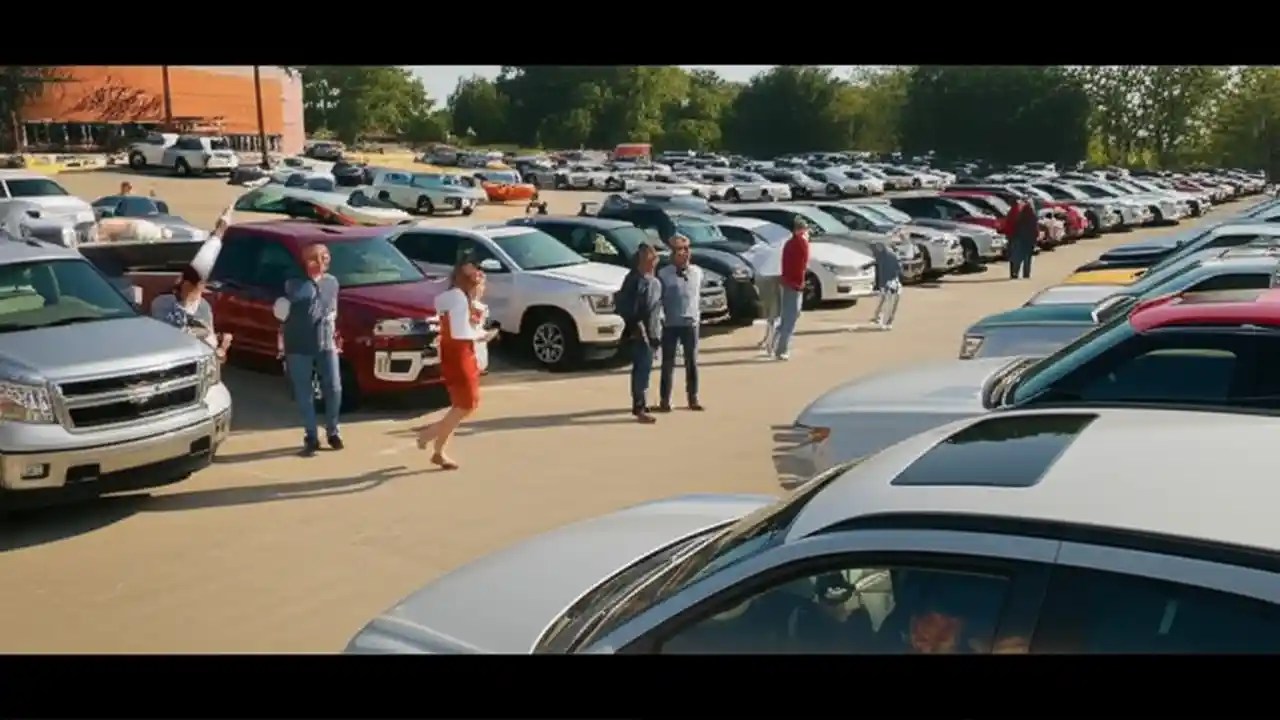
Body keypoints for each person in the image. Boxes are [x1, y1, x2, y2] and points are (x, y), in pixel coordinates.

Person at [415, 263, 496, 469]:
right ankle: (429, 437)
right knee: (466, 404)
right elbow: (461, 332)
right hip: (460, 355)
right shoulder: (460, 300)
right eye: (480, 285)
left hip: (456, 353)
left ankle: (437, 449)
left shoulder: (454, 298)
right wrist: (482, 334)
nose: (483, 289)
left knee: (462, 405)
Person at [275, 243, 343, 457]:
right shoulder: (294, 284)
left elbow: (332, 310)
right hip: (299, 344)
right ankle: (311, 435)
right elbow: (288, 306)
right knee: (305, 392)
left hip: (326, 342)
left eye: (325, 257)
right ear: (303, 262)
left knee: (334, 388)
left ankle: (333, 431)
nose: (321, 262)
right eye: (314, 258)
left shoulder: (332, 282)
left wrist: (334, 331)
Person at [616, 243, 663, 423]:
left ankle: (642, 402)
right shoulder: (634, 281)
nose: (654, 261)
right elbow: (627, 307)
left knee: (646, 369)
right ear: (642, 260)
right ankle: (639, 407)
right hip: (639, 332)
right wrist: (637, 327)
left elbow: (656, 308)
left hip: (653, 331)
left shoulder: (654, 280)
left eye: (655, 258)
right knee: (641, 370)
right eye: (651, 258)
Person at [657, 235, 704, 412]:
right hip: (670, 324)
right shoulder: (664, 274)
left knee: (691, 362)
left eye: (686, 249)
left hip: (691, 323)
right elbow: (659, 299)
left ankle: (693, 398)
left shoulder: (697, 272)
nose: (683, 253)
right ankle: (665, 400)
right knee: (668, 363)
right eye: (678, 250)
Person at [150, 265, 233, 361]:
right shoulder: (163, 303)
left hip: (197, 357)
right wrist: (185, 303)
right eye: (201, 287)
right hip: (171, 356)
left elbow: (210, 342)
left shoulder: (203, 306)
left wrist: (222, 348)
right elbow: (166, 336)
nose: (202, 292)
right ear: (186, 285)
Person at [740, 230, 784, 353]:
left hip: (767, 281)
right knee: (773, 314)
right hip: (770, 281)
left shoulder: (761, 250)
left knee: (771, 314)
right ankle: (770, 341)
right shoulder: (770, 249)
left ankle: (769, 341)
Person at [773, 218, 810, 360]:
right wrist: (800, 283)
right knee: (791, 317)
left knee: (788, 315)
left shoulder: (789, 243)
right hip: (794, 284)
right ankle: (781, 349)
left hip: (788, 282)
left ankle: (774, 341)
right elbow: (803, 264)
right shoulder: (801, 243)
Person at [866, 238, 904, 330]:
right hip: (888, 284)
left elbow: (898, 270)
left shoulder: (889, 256)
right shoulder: (882, 255)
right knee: (886, 301)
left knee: (890, 303)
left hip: (891, 284)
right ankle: (879, 317)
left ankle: (887, 321)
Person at [1006, 196, 1040, 280]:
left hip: (1020, 237)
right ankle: (1026, 273)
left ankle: (1015, 273)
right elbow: (1035, 228)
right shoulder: (1032, 215)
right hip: (1028, 238)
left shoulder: (1019, 214)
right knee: (1027, 257)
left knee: (1017, 255)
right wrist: (1036, 237)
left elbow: (1015, 225)